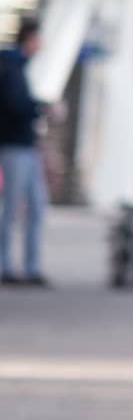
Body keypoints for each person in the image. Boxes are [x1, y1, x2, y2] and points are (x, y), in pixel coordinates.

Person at [0, 17, 49, 288]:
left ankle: (31, 268)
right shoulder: (10, 68)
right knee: (11, 209)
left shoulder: (20, 68)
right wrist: (40, 108)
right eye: (39, 39)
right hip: (14, 147)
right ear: (29, 38)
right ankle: (5, 265)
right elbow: (16, 107)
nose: (42, 45)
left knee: (37, 207)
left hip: (28, 147)